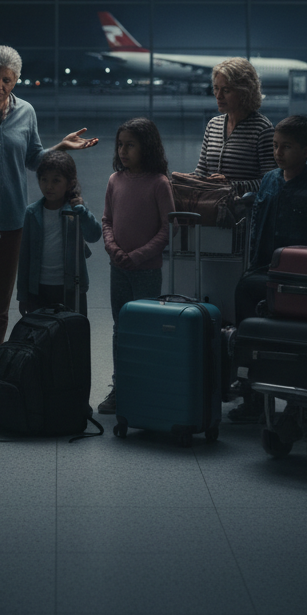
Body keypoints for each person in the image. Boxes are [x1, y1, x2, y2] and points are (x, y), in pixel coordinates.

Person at [0, 45, 98, 393]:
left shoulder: (26, 112)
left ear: (16, 80)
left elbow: (33, 159)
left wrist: (59, 147)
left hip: (11, 223)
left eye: (7, 79)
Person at [228, 115, 307, 423]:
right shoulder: (269, 181)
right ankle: (252, 397)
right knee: (250, 334)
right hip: (263, 272)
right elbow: (257, 231)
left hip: (301, 280)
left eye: (286, 147)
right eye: (276, 146)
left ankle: (299, 402)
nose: (278, 153)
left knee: (293, 339)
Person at [97, 118, 175, 416]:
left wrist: (139, 255)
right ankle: (121, 386)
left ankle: (144, 386)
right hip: (119, 269)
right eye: (120, 145)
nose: (123, 150)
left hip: (146, 271)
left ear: (148, 147)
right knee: (121, 328)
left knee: (145, 330)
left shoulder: (159, 183)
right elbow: (107, 221)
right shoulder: (114, 180)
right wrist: (114, 249)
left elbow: (168, 230)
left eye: (130, 145)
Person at [17, 151, 102, 316]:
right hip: (39, 288)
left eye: (56, 181)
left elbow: (94, 235)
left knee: (71, 335)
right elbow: (24, 256)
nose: (49, 186)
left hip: (71, 287)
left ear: (70, 184)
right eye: (44, 180)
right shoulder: (32, 213)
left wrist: (83, 212)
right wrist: (23, 295)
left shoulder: (76, 211)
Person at [194, 58, 277, 194]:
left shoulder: (262, 129)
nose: (218, 96)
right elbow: (202, 171)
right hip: (212, 210)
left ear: (244, 92)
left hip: (244, 212)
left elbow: (270, 181)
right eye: (216, 89)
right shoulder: (213, 125)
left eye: (226, 90)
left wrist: (230, 187)